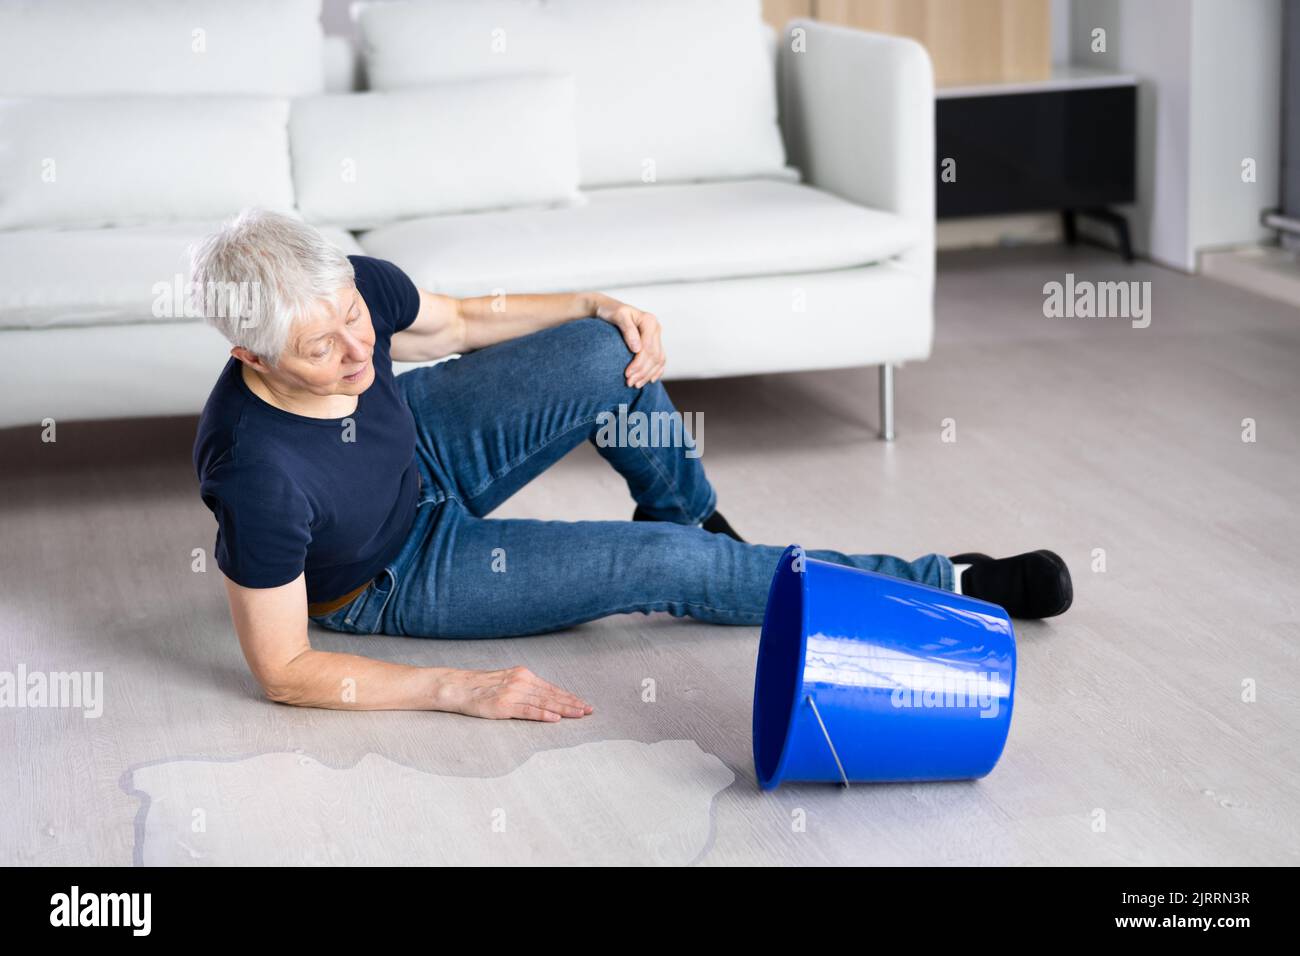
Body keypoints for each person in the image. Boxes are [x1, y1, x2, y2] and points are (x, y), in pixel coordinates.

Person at [191, 210, 1072, 722]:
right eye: (321, 348)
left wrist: (593, 302)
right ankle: (943, 581)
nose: (358, 348)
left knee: (605, 350)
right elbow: (284, 668)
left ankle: (694, 520)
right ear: (252, 357)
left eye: (355, 318)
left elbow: (452, 322)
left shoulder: (350, 290)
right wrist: (455, 689)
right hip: (390, 571)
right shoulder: (257, 474)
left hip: (419, 442)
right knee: (664, 571)